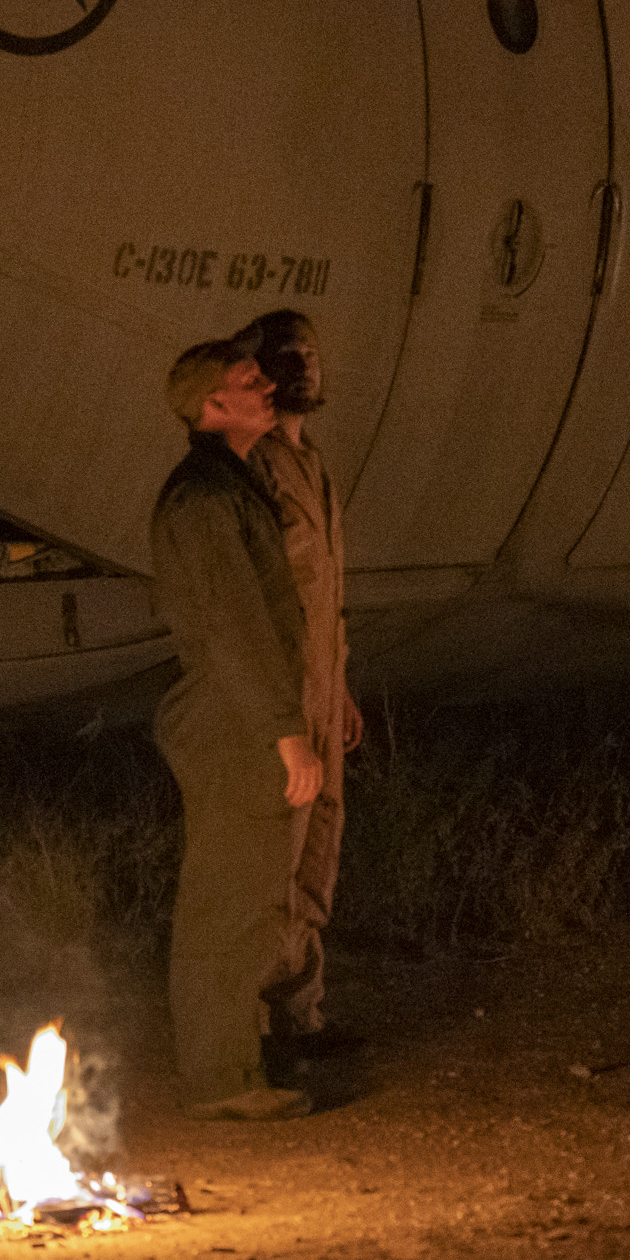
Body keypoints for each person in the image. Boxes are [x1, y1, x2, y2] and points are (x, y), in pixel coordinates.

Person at [152, 329, 322, 1122]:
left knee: (246, 896)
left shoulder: (228, 484)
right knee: (227, 902)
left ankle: (235, 1066)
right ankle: (222, 1078)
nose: (267, 387)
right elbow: (234, 629)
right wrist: (286, 731)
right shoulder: (207, 497)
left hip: (236, 720)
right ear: (215, 407)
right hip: (232, 726)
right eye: (250, 381)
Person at [244, 308, 362, 1063]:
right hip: (287, 693)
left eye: (314, 354)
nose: (307, 368)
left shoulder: (312, 463)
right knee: (274, 859)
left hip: (323, 690)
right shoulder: (255, 468)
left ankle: (302, 1018)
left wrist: (341, 686)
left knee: (318, 853)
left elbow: (327, 594)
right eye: (291, 356)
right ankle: (254, 1029)